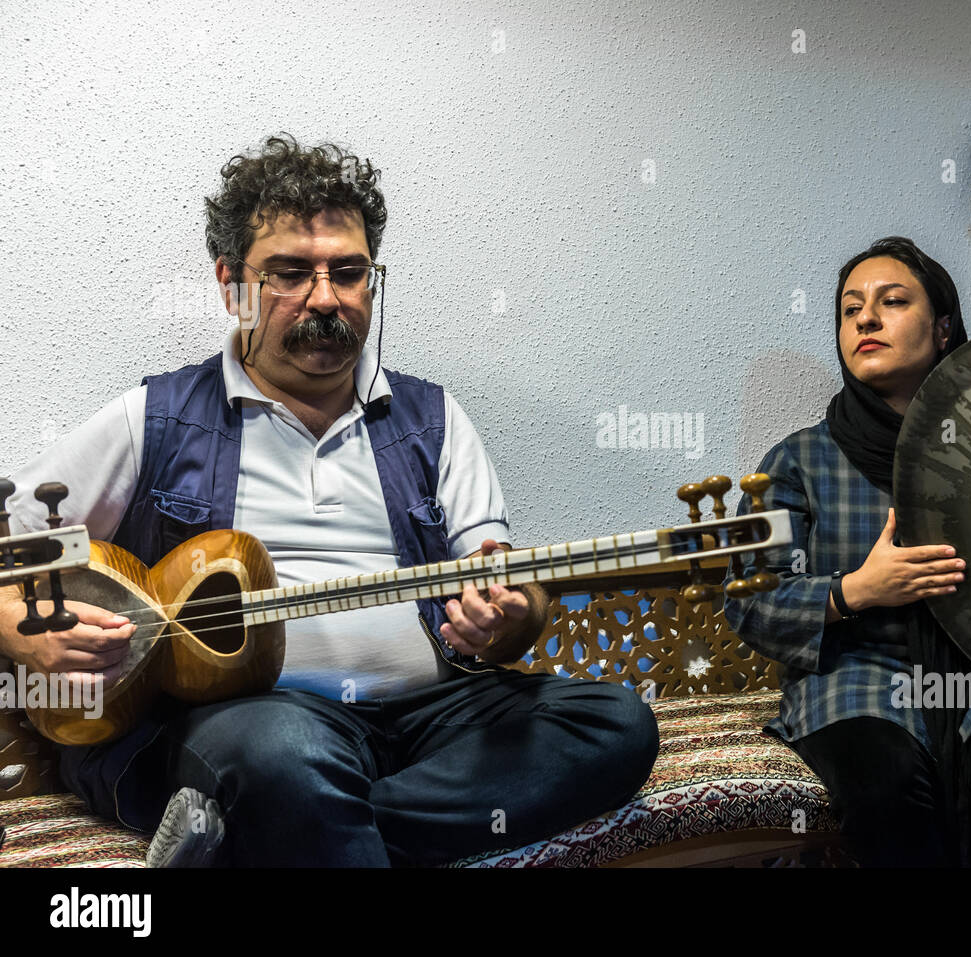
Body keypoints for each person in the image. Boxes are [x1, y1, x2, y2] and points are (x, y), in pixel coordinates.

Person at [0, 135, 658, 867]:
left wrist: (507, 617)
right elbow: (8, 550)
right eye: (289, 274)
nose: (324, 297)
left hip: (431, 719)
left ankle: (286, 828)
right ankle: (299, 806)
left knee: (616, 723)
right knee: (281, 755)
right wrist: (18, 630)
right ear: (231, 284)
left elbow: (504, 579)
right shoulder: (152, 417)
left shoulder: (433, 418)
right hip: (250, 720)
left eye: (348, 272)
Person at [724, 236, 971, 867]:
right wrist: (854, 590)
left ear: (943, 330)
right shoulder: (797, 462)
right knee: (880, 784)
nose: (865, 318)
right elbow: (750, 602)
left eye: (892, 301)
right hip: (855, 679)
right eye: (850, 308)